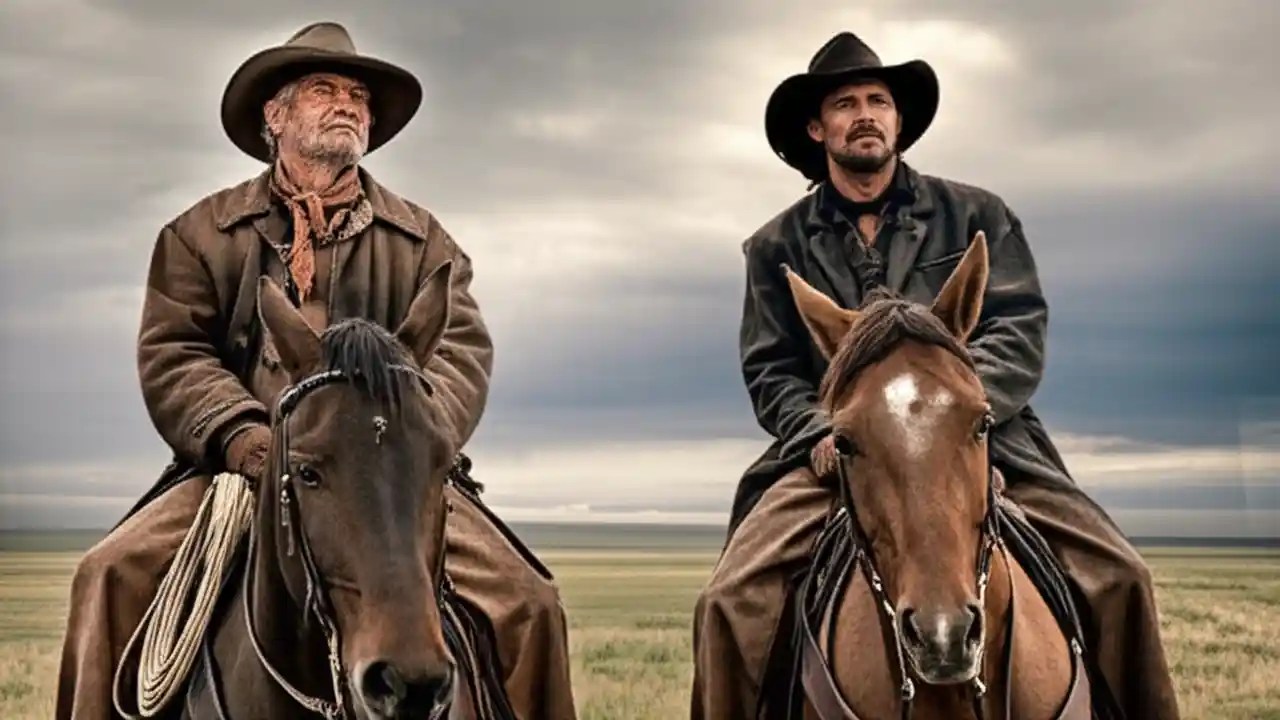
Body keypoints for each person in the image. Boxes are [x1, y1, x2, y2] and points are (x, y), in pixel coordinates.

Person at [55, 22, 576, 720]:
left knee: (531, 604)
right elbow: (174, 352)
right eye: (324, 90)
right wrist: (247, 439)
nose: (347, 105)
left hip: (393, 481)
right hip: (239, 472)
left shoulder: (425, 244)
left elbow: (459, 351)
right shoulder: (199, 235)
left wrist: (410, 443)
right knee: (107, 577)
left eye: (358, 96)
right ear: (275, 116)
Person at [690, 31, 1181, 719]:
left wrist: (955, 413)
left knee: (1121, 576)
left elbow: (1017, 329)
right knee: (727, 602)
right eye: (844, 104)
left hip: (982, 439)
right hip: (838, 451)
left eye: (878, 101)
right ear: (817, 128)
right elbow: (771, 370)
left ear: (898, 120)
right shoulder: (775, 246)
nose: (865, 115)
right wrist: (824, 431)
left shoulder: (979, 215)